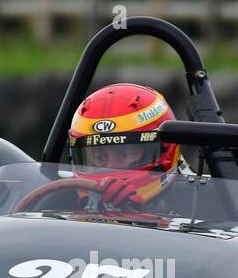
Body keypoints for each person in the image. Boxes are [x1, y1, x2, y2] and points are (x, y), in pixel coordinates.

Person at [67, 83, 183, 212]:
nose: (110, 169)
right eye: (100, 157)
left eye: (125, 155)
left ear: (166, 152)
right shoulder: (56, 197)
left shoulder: (196, 203)